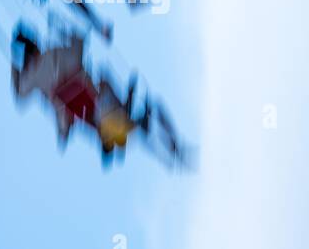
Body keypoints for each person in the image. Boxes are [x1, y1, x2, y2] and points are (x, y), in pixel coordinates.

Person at [11, 24, 189, 168]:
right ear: (35, 43)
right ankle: (172, 146)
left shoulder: (32, 76)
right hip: (99, 110)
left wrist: (15, 66)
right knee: (142, 106)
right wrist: (63, 31)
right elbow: (79, 39)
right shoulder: (57, 52)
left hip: (93, 112)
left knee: (108, 100)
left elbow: (19, 93)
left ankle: (166, 146)